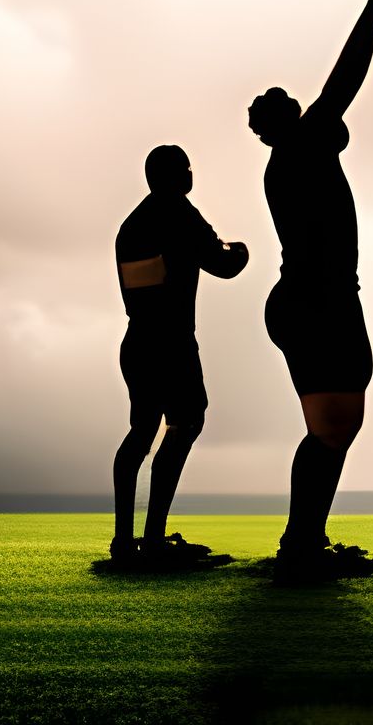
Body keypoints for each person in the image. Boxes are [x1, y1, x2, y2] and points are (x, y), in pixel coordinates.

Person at [248, 0, 373, 585]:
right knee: (334, 428)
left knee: (337, 427)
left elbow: (337, 93)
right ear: (280, 126)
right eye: (292, 105)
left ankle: (304, 539)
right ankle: (301, 544)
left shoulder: (296, 155)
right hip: (316, 302)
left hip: (316, 301)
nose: (309, 106)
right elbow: (346, 78)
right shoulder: (302, 147)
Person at [112, 144, 249, 568]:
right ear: (179, 176)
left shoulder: (131, 225)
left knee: (141, 431)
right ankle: (152, 539)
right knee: (186, 421)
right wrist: (241, 250)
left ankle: (124, 539)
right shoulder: (181, 214)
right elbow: (223, 264)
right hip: (171, 342)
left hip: (137, 340)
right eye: (188, 169)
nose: (191, 175)